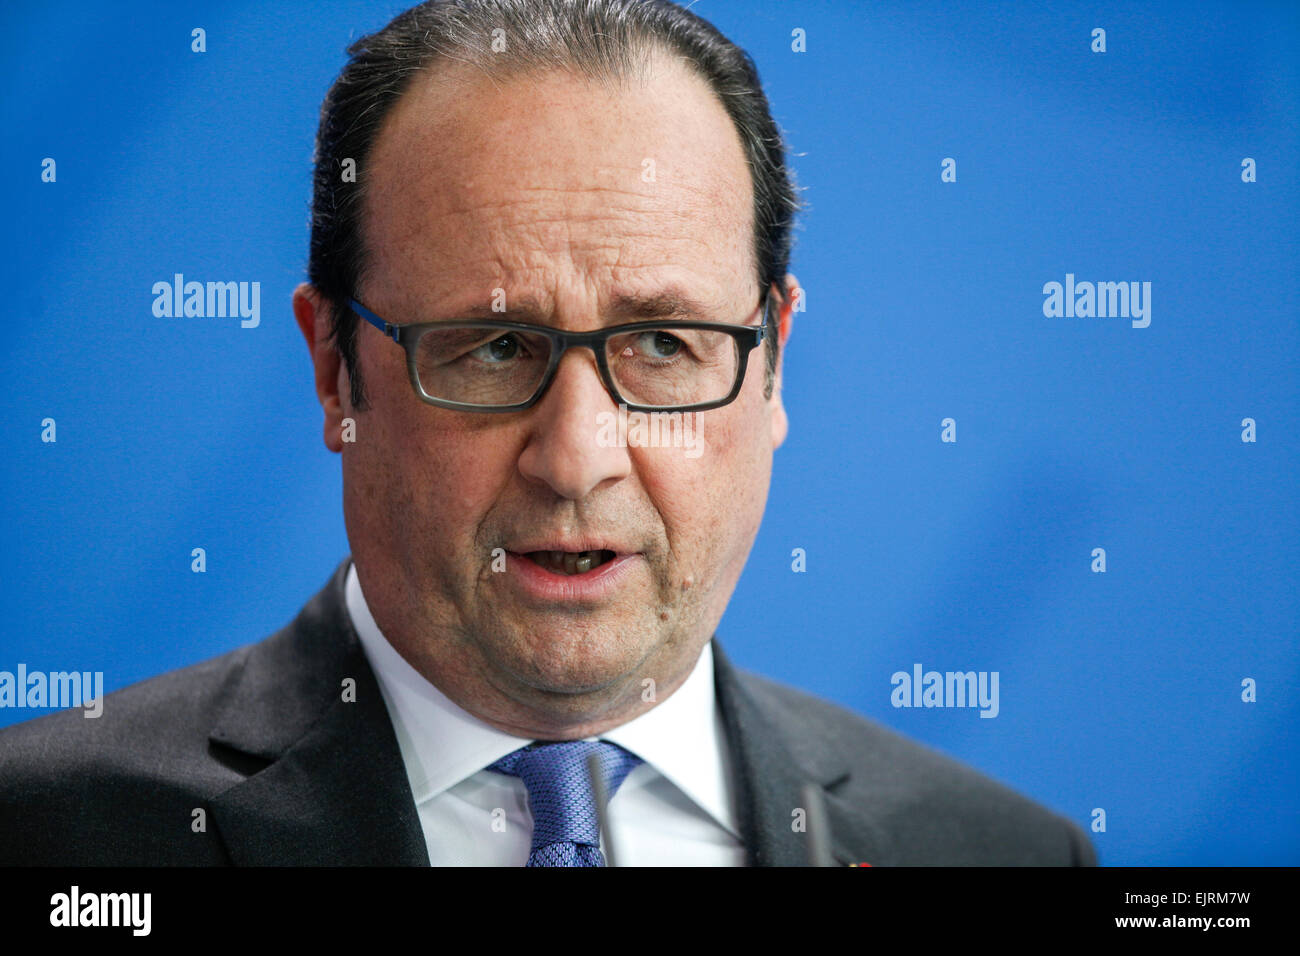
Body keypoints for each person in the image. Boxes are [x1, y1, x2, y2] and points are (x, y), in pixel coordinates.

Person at [0, 0, 1096, 867]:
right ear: (333, 362)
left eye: (664, 343)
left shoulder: (1001, 851)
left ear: (770, 363)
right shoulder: (41, 830)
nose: (575, 457)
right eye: (492, 348)